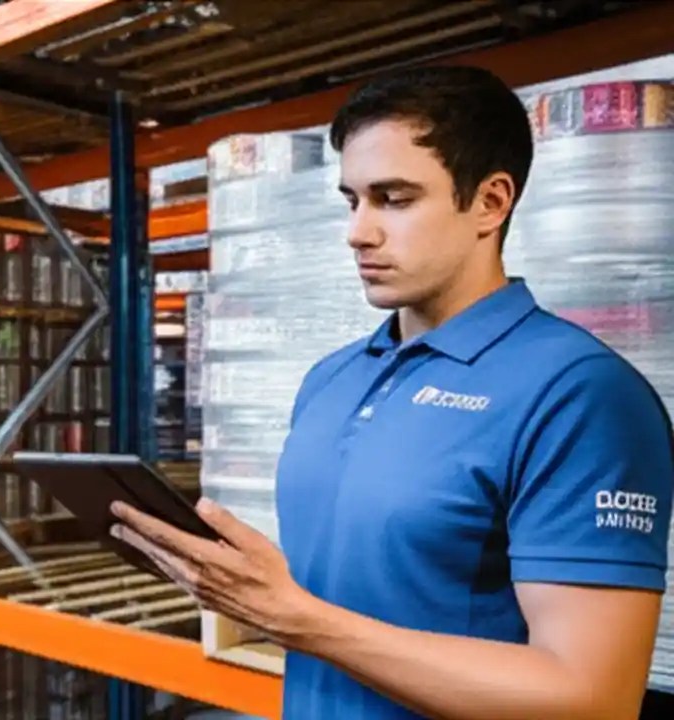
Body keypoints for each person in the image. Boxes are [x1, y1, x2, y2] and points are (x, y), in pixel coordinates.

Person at [110, 65, 674, 719]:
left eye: (395, 199)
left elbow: (590, 698)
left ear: (490, 202)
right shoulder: (332, 379)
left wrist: (297, 619)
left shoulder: (581, 396)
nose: (358, 231)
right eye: (352, 200)